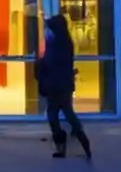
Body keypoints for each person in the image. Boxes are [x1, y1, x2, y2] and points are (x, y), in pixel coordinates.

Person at [35, 14, 92, 160]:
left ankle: (61, 144)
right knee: (68, 112)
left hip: (55, 84)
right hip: (65, 84)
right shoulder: (66, 42)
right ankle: (82, 139)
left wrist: (40, 64)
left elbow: (48, 63)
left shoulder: (55, 44)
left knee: (53, 115)